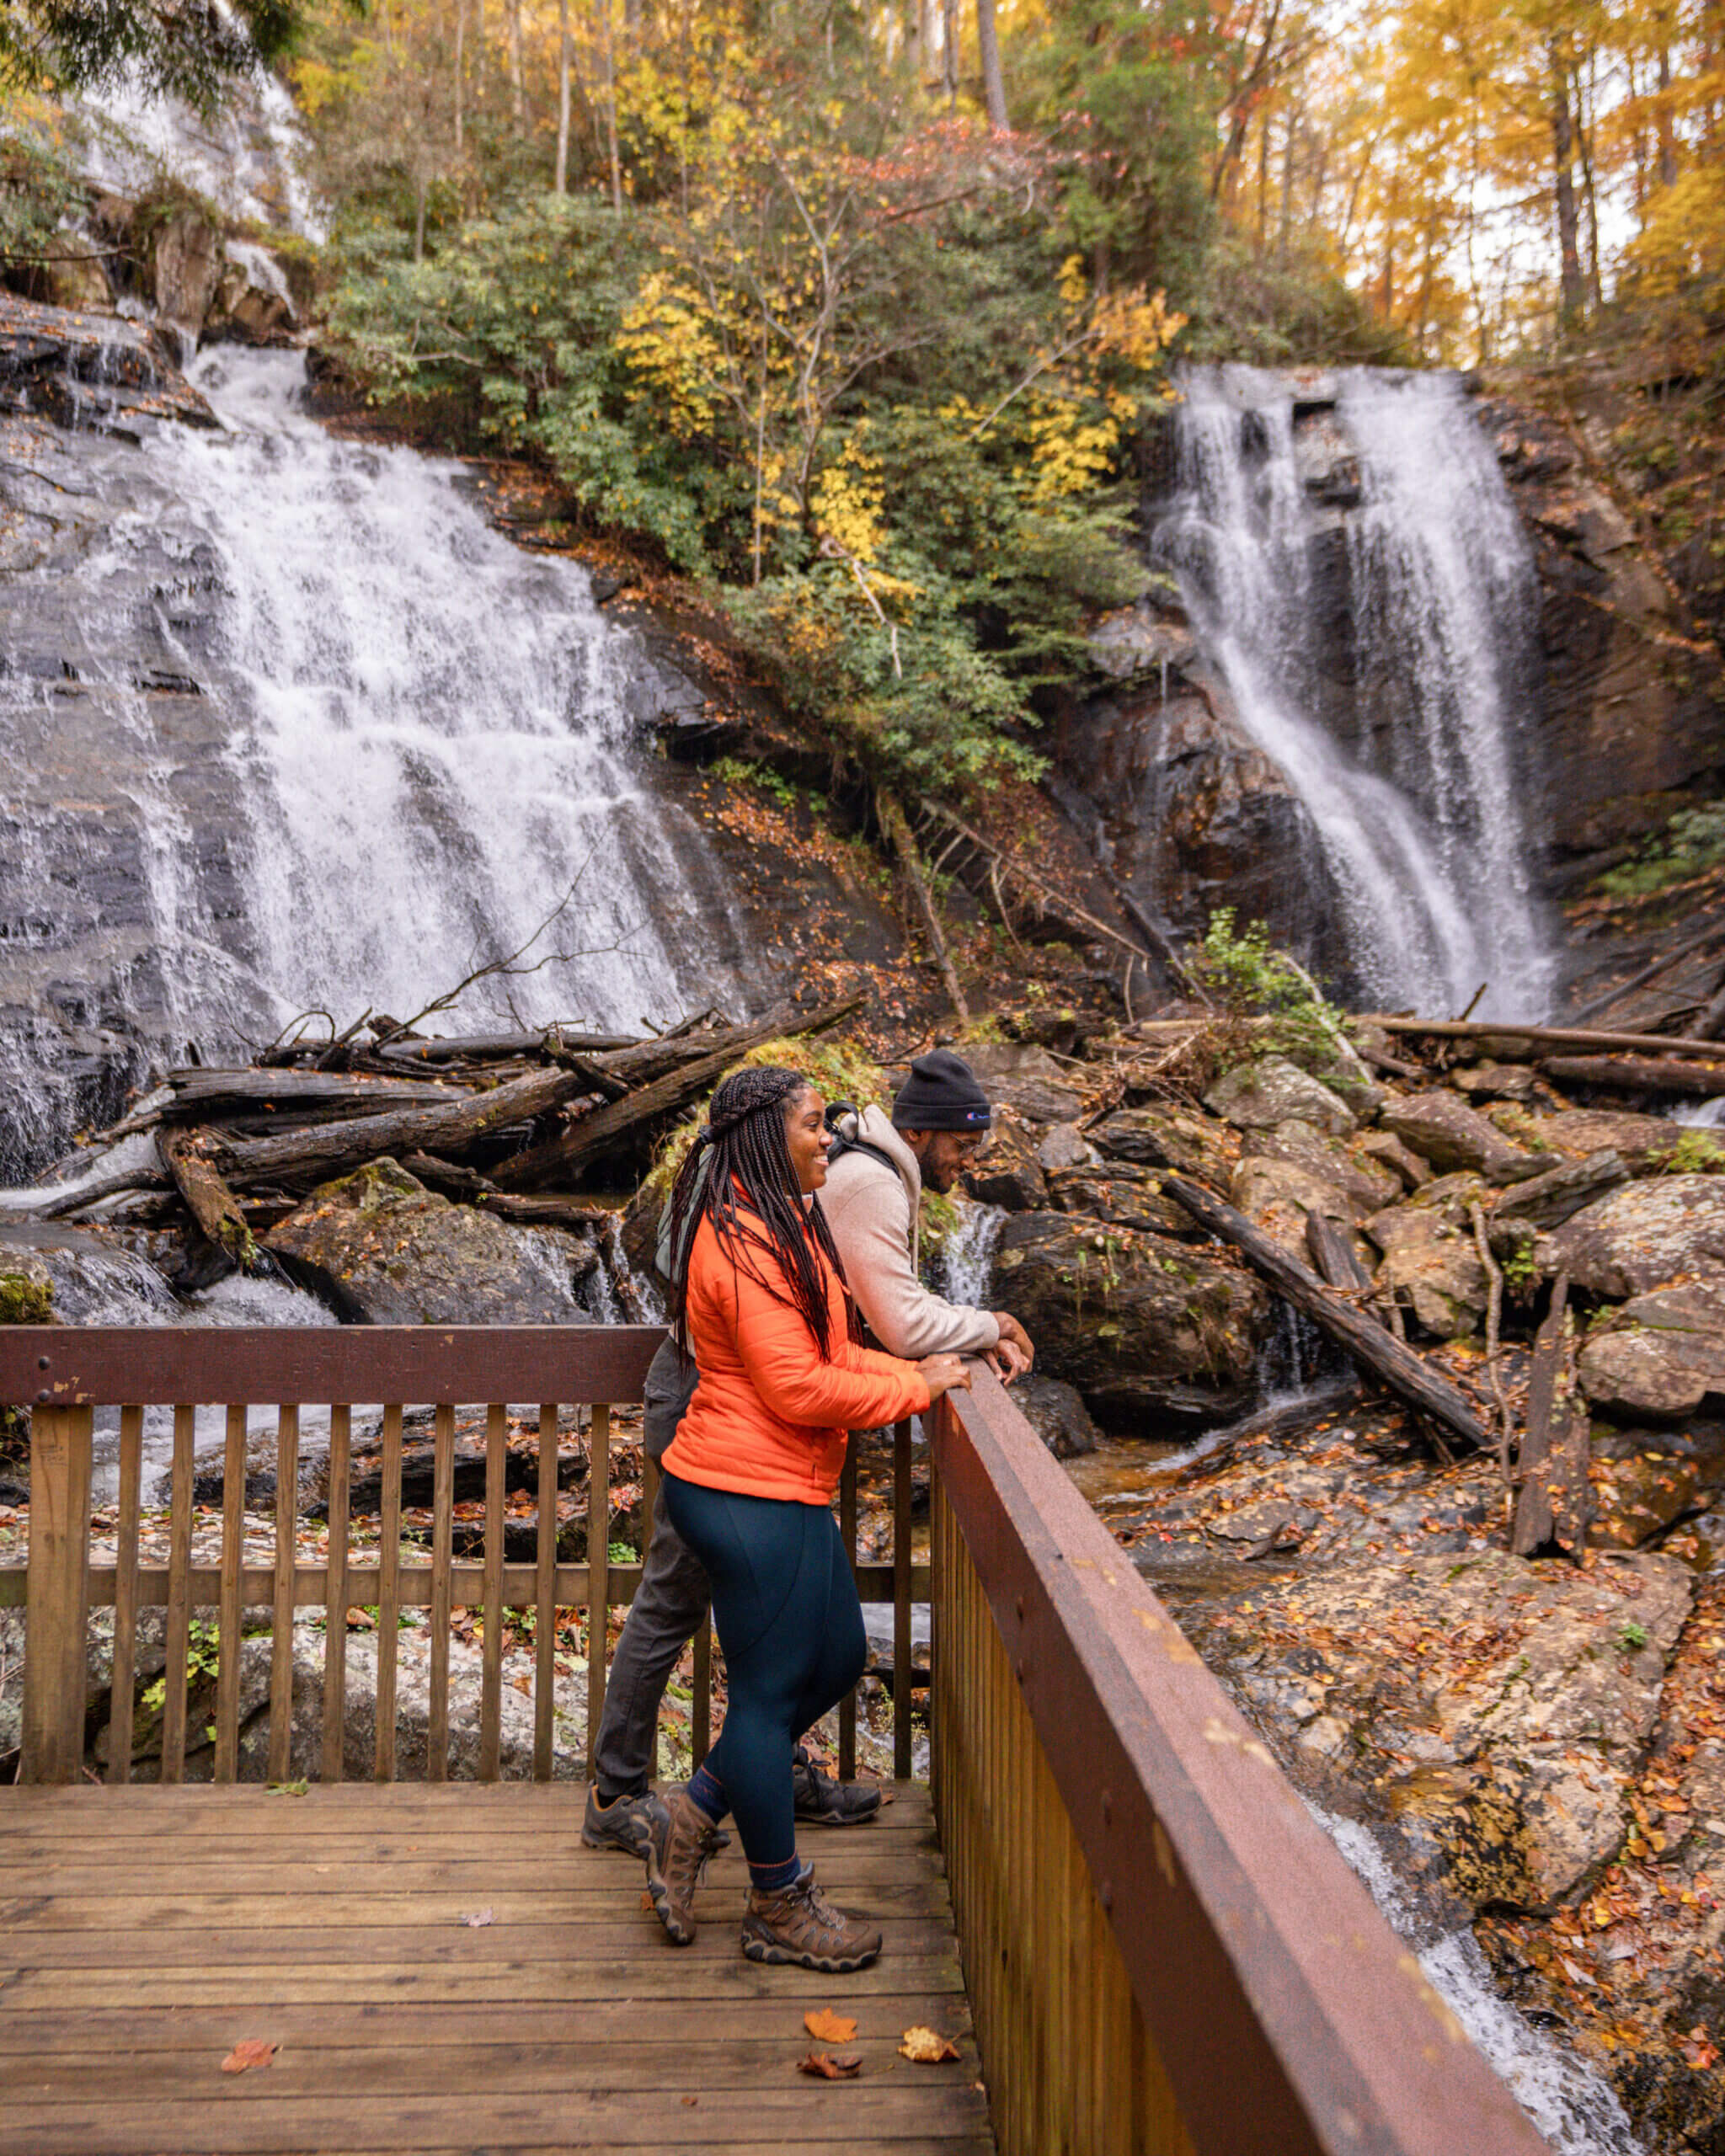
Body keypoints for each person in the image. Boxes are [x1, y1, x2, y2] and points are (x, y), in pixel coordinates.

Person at [581, 1049, 1034, 1858]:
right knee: (675, 1601)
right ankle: (619, 1794)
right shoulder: (850, 1189)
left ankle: (763, 1770)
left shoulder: (820, 1185)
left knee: (789, 1640)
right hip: (715, 1415)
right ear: (926, 1130)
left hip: (756, 1419)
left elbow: (829, 1340)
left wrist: (924, 1367)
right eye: (965, 1142)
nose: (970, 1160)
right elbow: (887, 1326)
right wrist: (971, 1338)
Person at [638, 1064, 971, 1971]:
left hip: (786, 1485)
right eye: (814, 1125)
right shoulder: (739, 1243)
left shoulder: (784, 1223)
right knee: (765, 1698)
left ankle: (694, 1809)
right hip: (743, 1491)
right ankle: (776, 1902)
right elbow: (796, 1387)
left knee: (837, 1657)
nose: (830, 1138)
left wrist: (918, 1372)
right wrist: (915, 1388)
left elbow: (835, 1354)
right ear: (763, 1137)